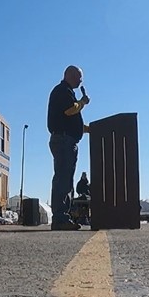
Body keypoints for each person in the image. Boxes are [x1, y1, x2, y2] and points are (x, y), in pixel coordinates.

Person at [47, 65, 88, 230]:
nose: (80, 81)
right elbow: (69, 111)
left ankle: (63, 216)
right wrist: (83, 102)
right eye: (78, 77)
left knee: (66, 178)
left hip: (66, 139)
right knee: (63, 179)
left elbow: (71, 120)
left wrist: (86, 129)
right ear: (69, 75)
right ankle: (60, 218)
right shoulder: (62, 91)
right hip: (64, 140)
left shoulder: (67, 92)